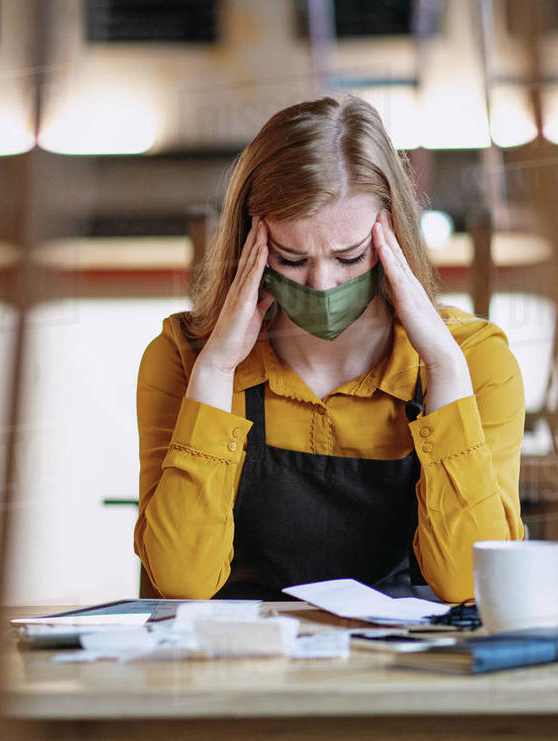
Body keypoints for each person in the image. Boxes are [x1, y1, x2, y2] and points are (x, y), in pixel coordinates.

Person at [135, 95, 525, 603]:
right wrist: (215, 372)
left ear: (395, 239)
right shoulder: (181, 360)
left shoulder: (476, 361)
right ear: (249, 246)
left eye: (350, 256)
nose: (322, 285)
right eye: (291, 258)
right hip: (242, 664)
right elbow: (181, 582)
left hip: (402, 668)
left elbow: (469, 585)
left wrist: (445, 367)